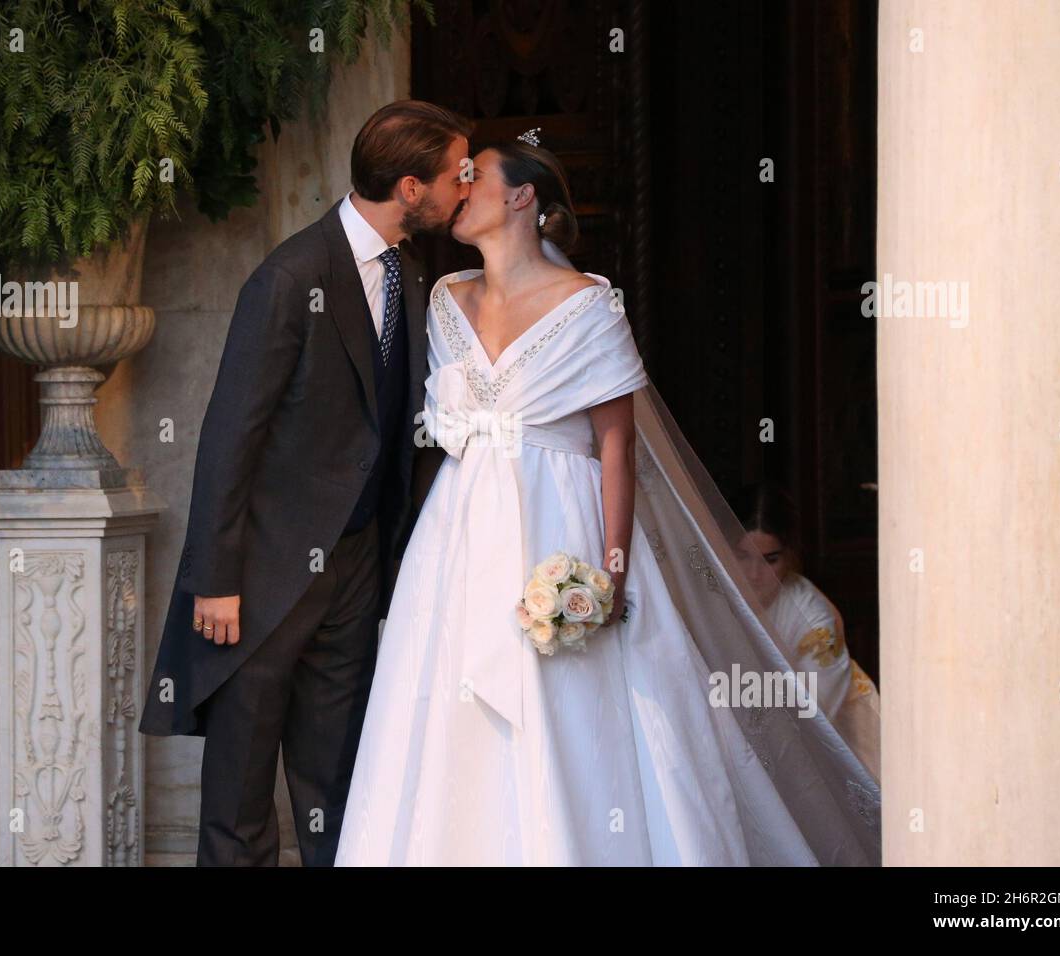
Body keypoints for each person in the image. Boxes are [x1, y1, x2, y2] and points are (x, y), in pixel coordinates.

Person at [335, 131, 880, 865]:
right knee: (442, 705)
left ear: (523, 197)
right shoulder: (444, 298)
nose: (460, 189)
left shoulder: (589, 304)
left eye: (477, 177)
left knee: (572, 709)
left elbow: (617, 446)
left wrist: (611, 572)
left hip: (562, 523)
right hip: (459, 533)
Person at [138, 100, 472, 866]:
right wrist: (215, 582)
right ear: (413, 188)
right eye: (458, 173)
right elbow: (230, 438)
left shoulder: (412, 278)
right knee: (240, 792)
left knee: (340, 782)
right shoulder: (290, 276)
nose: (468, 184)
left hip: (355, 568)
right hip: (262, 572)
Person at [732, 481, 882, 780]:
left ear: (790, 554)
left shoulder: (814, 621)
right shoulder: (714, 594)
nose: (753, 574)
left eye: (769, 560)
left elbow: (810, 717)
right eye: (742, 556)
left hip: (832, 741)